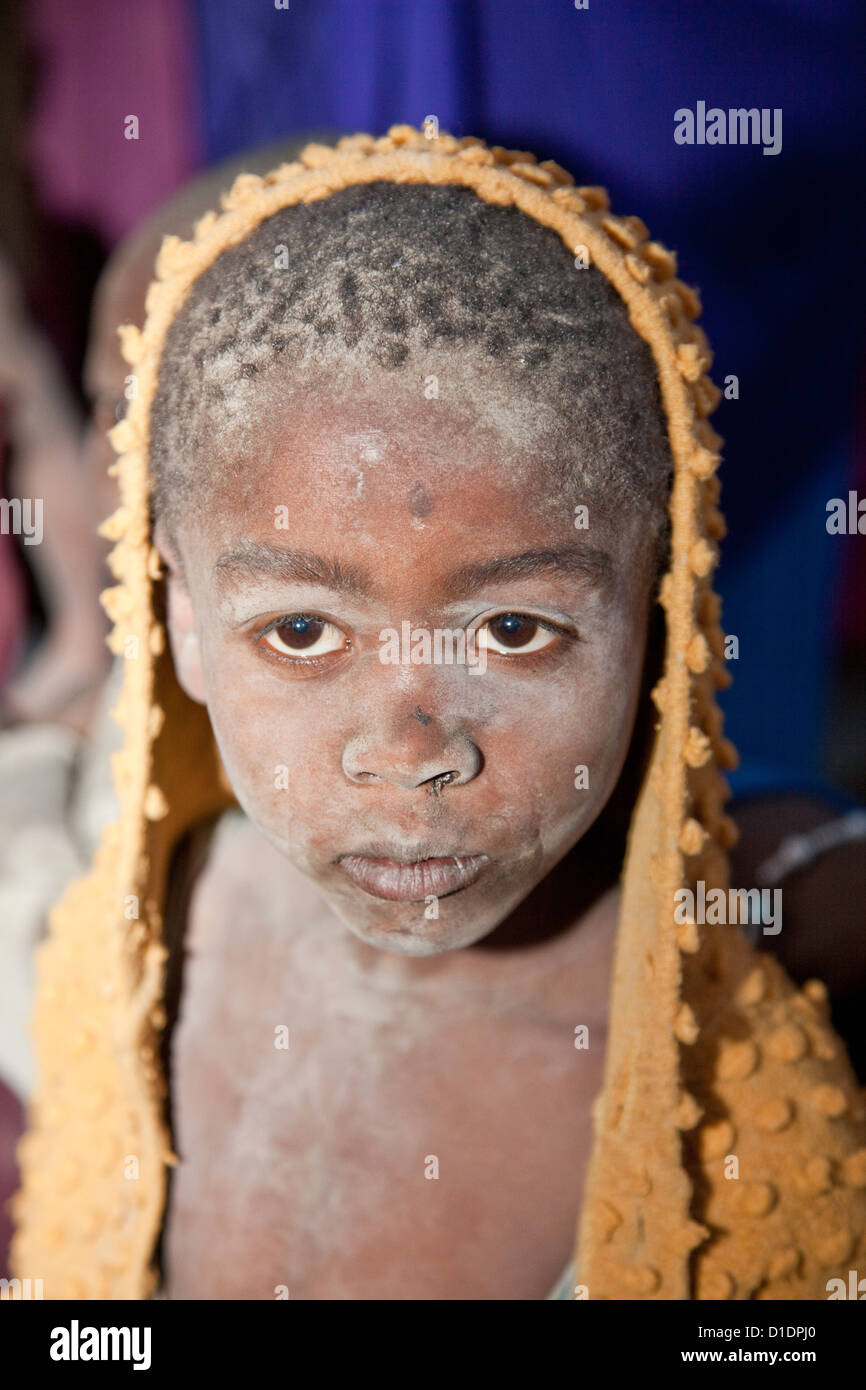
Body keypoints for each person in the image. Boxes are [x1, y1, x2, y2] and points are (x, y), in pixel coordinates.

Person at [10, 127, 866, 1301]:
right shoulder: (114, 950)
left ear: (658, 612)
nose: (410, 753)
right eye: (301, 632)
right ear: (186, 624)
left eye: (514, 630)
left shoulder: (737, 1129)